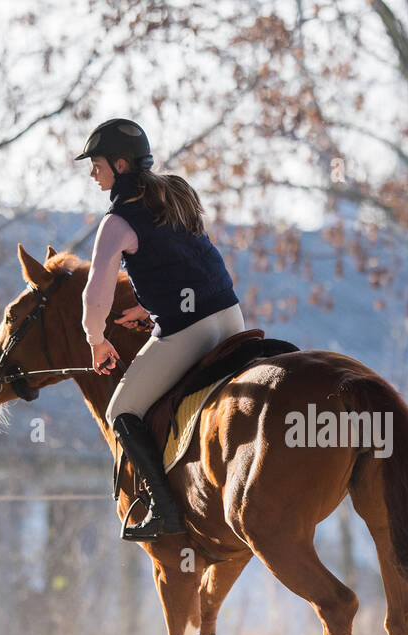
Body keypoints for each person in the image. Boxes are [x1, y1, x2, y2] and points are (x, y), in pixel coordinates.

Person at [76, 118, 245, 539]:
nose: (92, 173)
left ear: (119, 164)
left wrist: (96, 341)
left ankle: (163, 510)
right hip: (231, 317)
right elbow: (180, 262)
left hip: (189, 330)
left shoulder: (116, 222)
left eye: (96, 164)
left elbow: (93, 300)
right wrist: (150, 308)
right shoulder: (175, 195)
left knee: (121, 412)